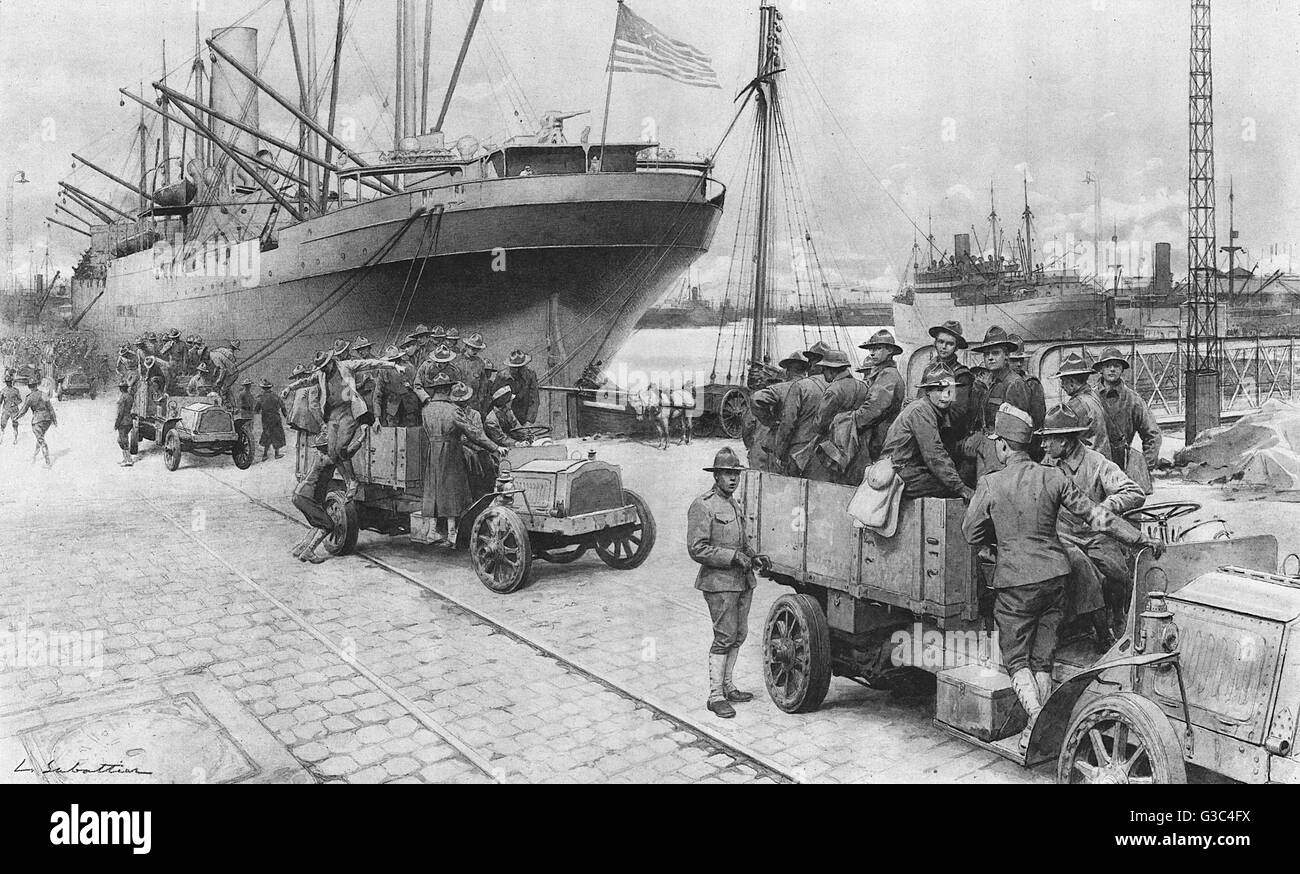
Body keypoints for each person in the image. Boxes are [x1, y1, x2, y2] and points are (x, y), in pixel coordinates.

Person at [962, 404, 1158, 751]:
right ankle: (1040, 722)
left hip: (1015, 584)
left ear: (1004, 446)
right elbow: (1097, 516)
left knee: (1016, 659)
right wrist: (1139, 537)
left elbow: (970, 532)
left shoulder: (990, 483)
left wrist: (1000, 543)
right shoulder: (1053, 476)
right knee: (1043, 657)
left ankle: (1037, 720)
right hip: (1055, 578)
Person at [1039, 405, 1146, 645]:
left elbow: (1134, 492)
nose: (1043, 446)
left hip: (1097, 531)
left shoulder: (1097, 462)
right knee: (1084, 571)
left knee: (1119, 573)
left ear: (1064, 442)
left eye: (1047, 440)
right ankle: (1101, 633)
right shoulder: (1047, 464)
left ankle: (1118, 616)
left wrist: (1107, 506)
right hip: (1062, 534)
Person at [687, 447, 767, 719]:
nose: (733, 479)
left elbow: (743, 540)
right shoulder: (704, 505)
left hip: (743, 581)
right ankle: (715, 695)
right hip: (719, 583)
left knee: (739, 634)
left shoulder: (735, 503)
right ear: (716, 475)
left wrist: (754, 556)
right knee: (724, 637)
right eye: (727, 474)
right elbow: (697, 549)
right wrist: (732, 557)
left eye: (736, 474)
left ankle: (728, 685)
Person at [411, 373, 503, 545]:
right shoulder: (454, 411)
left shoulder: (426, 410)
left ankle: (432, 532)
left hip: (433, 451)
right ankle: (452, 533)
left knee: (434, 489)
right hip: (451, 451)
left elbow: (426, 430)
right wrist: (495, 447)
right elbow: (473, 433)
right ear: (446, 390)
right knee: (452, 490)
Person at [312, 344, 399, 500]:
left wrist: (392, 364)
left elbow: (370, 363)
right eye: (322, 367)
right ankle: (349, 480)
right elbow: (306, 381)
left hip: (349, 412)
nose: (324, 369)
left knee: (340, 448)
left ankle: (352, 480)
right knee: (332, 453)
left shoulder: (346, 366)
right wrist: (290, 388)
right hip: (333, 415)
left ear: (332, 361)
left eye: (326, 365)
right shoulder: (321, 374)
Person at [880, 363, 974, 499]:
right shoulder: (921, 410)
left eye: (950, 390)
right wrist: (960, 487)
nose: (946, 395)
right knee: (949, 487)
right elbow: (934, 453)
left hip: (910, 469)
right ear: (928, 391)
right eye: (939, 390)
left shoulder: (937, 411)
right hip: (898, 471)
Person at [964, 326, 1032, 479]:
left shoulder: (1014, 384)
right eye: (986, 354)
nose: (990, 358)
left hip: (1002, 455)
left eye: (995, 353)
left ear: (1006, 356)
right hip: (988, 449)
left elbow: (1017, 430)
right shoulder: (995, 382)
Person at [1093, 347, 1161, 490]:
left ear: (1122, 369)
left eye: (1116, 366)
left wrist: (1143, 466)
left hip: (1123, 468)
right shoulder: (1090, 399)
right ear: (1100, 369)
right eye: (1107, 366)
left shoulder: (1133, 400)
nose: (1112, 369)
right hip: (1095, 470)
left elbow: (1153, 434)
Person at [848, 329, 906, 481]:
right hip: (877, 441)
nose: (872, 353)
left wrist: (848, 419)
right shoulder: (882, 374)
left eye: (878, 348)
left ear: (890, 351)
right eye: (871, 349)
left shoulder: (888, 375)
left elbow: (872, 411)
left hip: (880, 442)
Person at [773, 348, 835, 476]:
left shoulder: (801, 386)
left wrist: (779, 453)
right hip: (829, 452)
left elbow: (788, 423)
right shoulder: (840, 387)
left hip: (799, 451)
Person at [747, 350, 809, 471]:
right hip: (806, 450)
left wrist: (770, 421)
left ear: (787, 371)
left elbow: (756, 399)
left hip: (781, 449)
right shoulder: (813, 388)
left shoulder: (780, 389)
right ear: (805, 371)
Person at [1055, 352, 1112, 461]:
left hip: (1088, 464)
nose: (1062, 386)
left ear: (1072, 382)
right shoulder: (1093, 395)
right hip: (1102, 461)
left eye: (1063, 381)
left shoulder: (1076, 404)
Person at [921, 319, 974, 435]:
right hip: (924, 427)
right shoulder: (929, 370)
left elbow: (957, 412)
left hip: (948, 433)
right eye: (940, 342)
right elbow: (921, 398)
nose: (944, 347)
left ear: (956, 348)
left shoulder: (961, 374)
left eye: (950, 344)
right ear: (935, 343)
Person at [292, 434, 338, 564]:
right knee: (328, 525)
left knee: (318, 523)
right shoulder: (325, 458)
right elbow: (342, 455)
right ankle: (309, 552)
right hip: (306, 497)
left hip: (299, 495)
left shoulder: (318, 455)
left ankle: (301, 548)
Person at [1007, 333, 1046, 429]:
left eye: (1021, 359)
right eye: (1014, 360)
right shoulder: (996, 383)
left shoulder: (1031, 384)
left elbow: (1038, 418)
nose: (1019, 364)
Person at [15, 381, 57, 467]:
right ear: (36, 385)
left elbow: (23, 410)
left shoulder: (29, 397)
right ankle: (34, 456)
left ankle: (48, 462)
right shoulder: (44, 394)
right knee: (40, 438)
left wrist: (16, 417)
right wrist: (54, 420)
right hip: (47, 420)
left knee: (41, 440)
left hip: (37, 421)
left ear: (29, 387)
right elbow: (51, 408)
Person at [496, 349, 540, 426]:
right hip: (505, 417)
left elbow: (534, 400)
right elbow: (496, 400)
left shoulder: (530, 375)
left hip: (523, 416)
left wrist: (529, 421)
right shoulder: (501, 376)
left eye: (520, 368)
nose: (517, 370)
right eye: (514, 368)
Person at [256, 378, 288, 460]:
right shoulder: (275, 396)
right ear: (270, 388)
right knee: (276, 434)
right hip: (275, 417)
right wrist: (286, 416)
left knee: (267, 434)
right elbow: (283, 407)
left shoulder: (261, 397)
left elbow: (256, 410)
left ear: (263, 388)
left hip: (266, 418)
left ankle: (265, 455)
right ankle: (276, 454)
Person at [459, 332, 490, 407]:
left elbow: (483, 382)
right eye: (473, 348)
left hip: (474, 400)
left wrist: (480, 398)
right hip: (459, 398)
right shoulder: (457, 360)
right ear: (466, 346)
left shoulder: (479, 362)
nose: (475, 351)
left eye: (477, 349)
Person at [115, 379, 135, 466]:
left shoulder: (123, 397)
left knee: (123, 440)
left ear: (121, 389)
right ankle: (125, 458)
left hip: (123, 421)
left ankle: (129, 460)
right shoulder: (130, 396)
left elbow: (120, 412)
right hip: (129, 420)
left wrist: (117, 423)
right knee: (121, 440)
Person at [1, 373, 22, 445]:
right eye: (7, 382)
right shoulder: (3, 391)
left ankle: (15, 439)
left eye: (9, 382)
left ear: (11, 382)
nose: (8, 383)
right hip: (6, 410)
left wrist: (15, 403)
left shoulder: (16, 390)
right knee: (2, 424)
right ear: (6, 383)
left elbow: (20, 400)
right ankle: (1, 438)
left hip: (14, 410)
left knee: (15, 425)